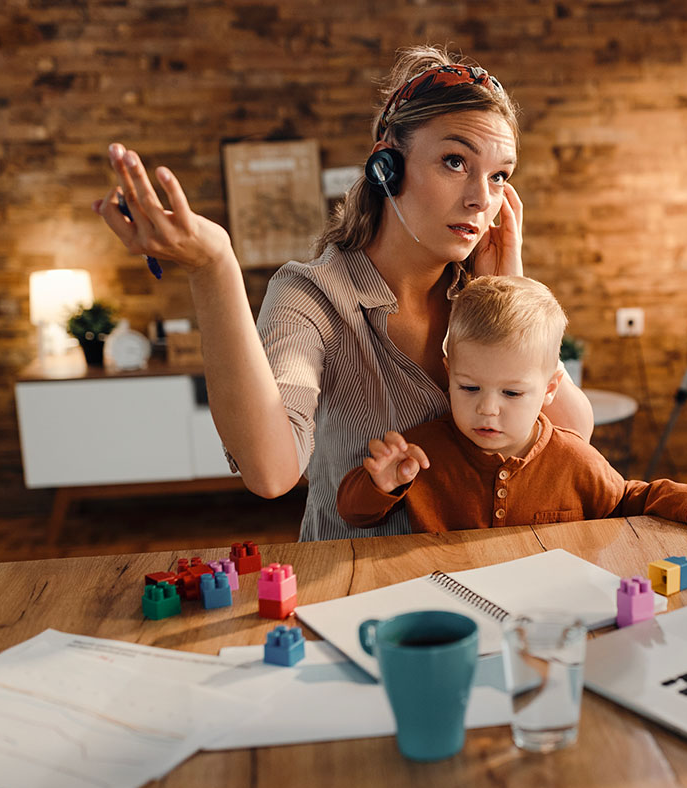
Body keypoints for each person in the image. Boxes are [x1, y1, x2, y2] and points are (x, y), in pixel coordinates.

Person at [94, 46, 594, 541]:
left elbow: (573, 437)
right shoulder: (312, 296)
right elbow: (271, 473)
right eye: (455, 161)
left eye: (499, 176)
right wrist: (213, 266)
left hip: (478, 574)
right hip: (356, 579)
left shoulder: (480, 293)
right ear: (386, 167)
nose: (481, 199)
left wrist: (510, 292)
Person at [337, 276, 687, 534]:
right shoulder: (421, 452)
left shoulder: (573, 457)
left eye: (511, 393)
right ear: (449, 373)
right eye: (469, 388)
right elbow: (354, 515)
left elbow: (628, 498)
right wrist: (381, 484)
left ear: (549, 389)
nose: (488, 409)